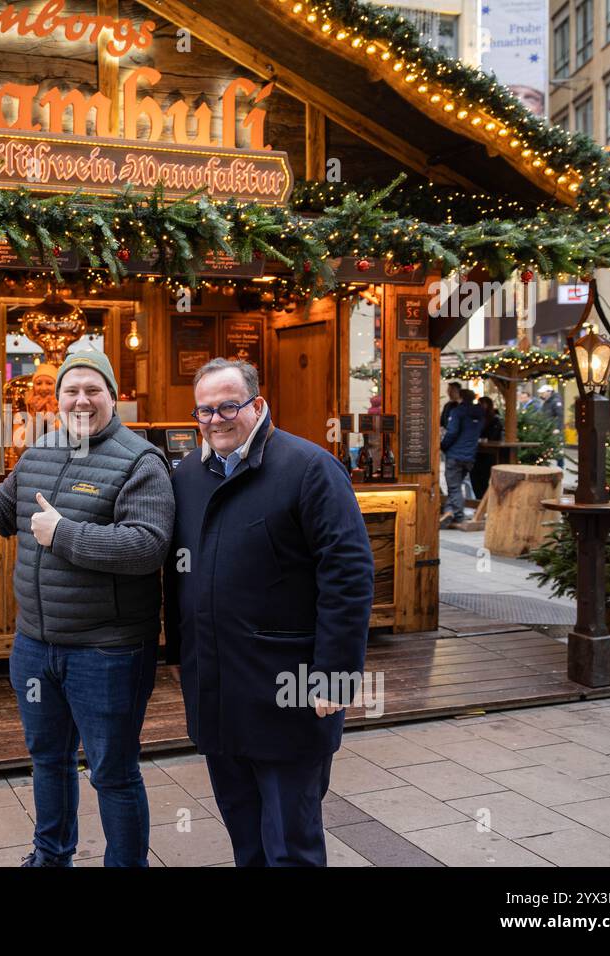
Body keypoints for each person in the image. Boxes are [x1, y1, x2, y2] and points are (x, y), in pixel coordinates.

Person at [0, 350, 174, 867]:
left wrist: (64, 535)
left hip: (108, 651)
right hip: (36, 646)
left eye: (92, 390)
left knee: (113, 772)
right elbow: (2, 512)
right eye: (71, 390)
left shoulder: (141, 460)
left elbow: (147, 546)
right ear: (57, 398)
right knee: (48, 762)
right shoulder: (41, 450)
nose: (81, 400)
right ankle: (51, 857)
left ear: (112, 395)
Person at [163, 358, 373, 866]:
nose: (216, 420)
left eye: (229, 406)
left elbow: (348, 574)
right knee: (245, 835)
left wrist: (336, 677)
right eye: (205, 410)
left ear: (257, 405)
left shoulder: (310, 468)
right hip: (216, 689)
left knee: (291, 844)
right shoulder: (188, 474)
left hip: (290, 690)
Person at [441, 386, 485, 525]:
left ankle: (457, 514)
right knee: (457, 485)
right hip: (470, 454)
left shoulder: (457, 411)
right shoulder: (480, 412)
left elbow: (452, 432)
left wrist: (443, 445)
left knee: (454, 486)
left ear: (460, 397)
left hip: (455, 453)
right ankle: (449, 511)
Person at [471, 396, 503, 499]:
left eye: (482, 404)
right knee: (475, 478)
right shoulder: (475, 418)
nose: (480, 406)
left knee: (485, 479)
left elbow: (493, 436)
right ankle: (479, 501)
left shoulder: (495, 420)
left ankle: (484, 502)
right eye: (479, 404)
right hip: (476, 453)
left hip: (489, 454)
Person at [537, 384, 565, 470]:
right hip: (547, 428)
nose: (541, 394)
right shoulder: (546, 402)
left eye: (543, 393)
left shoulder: (556, 401)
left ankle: (560, 465)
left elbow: (560, 416)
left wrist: (557, 428)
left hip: (554, 429)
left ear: (549, 392)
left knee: (558, 446)